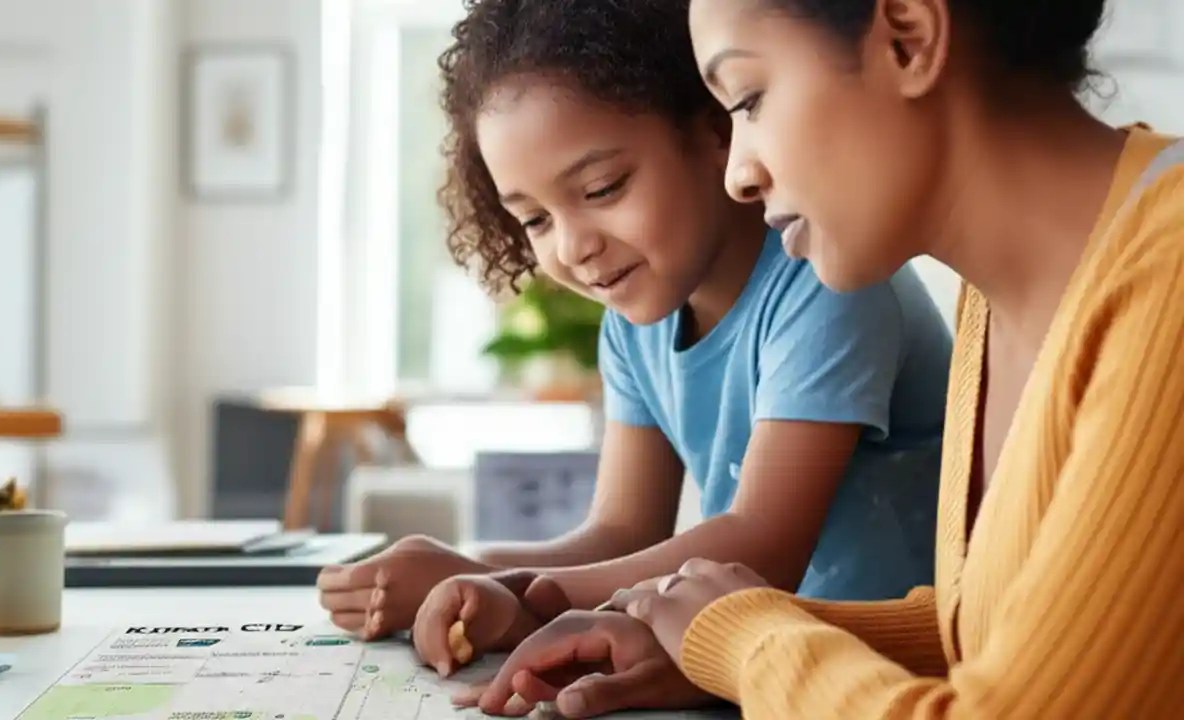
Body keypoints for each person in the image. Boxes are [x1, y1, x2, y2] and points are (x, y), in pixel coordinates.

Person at [462, 0, 1184, 717]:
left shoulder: (1170, 272)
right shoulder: (998, 304)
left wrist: (750, 642)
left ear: (906, 38)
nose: (738, 172)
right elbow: (992, 637)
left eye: (748, 99)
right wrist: (697, 643)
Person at [318, 0, 951, 670]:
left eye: (602, 187)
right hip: (762, 665)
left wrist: (511, 589)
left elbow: (762, 547)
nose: (573, 247)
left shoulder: (824, 277)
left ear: (715, 128)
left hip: (891, 674)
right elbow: (622, 531)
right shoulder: (633, 326)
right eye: (533, 220)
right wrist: (464, 572)